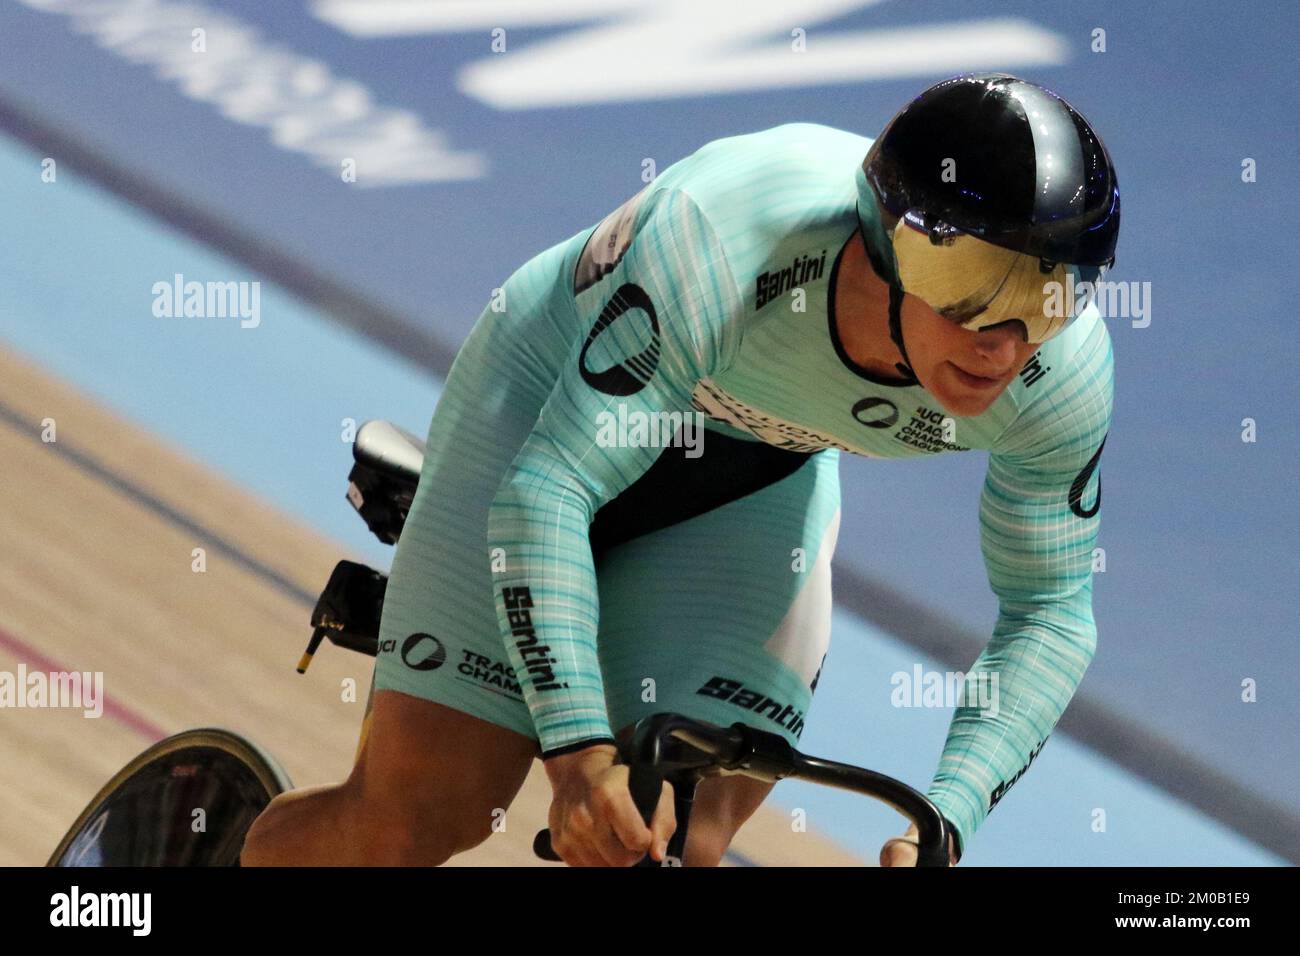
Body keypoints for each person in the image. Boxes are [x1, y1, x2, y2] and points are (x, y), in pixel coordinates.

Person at [242, 72, 1119, 867]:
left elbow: (1049, 611)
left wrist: (944, 820)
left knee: (674, 836)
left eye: (1049, 292)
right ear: (890, 242)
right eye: (971, 284)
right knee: (419, 819)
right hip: (544, 417)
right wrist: (578, 756)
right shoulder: (730, 239)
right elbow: (549, 490)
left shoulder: (1061, 376)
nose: (1004, 343)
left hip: (748, 477)